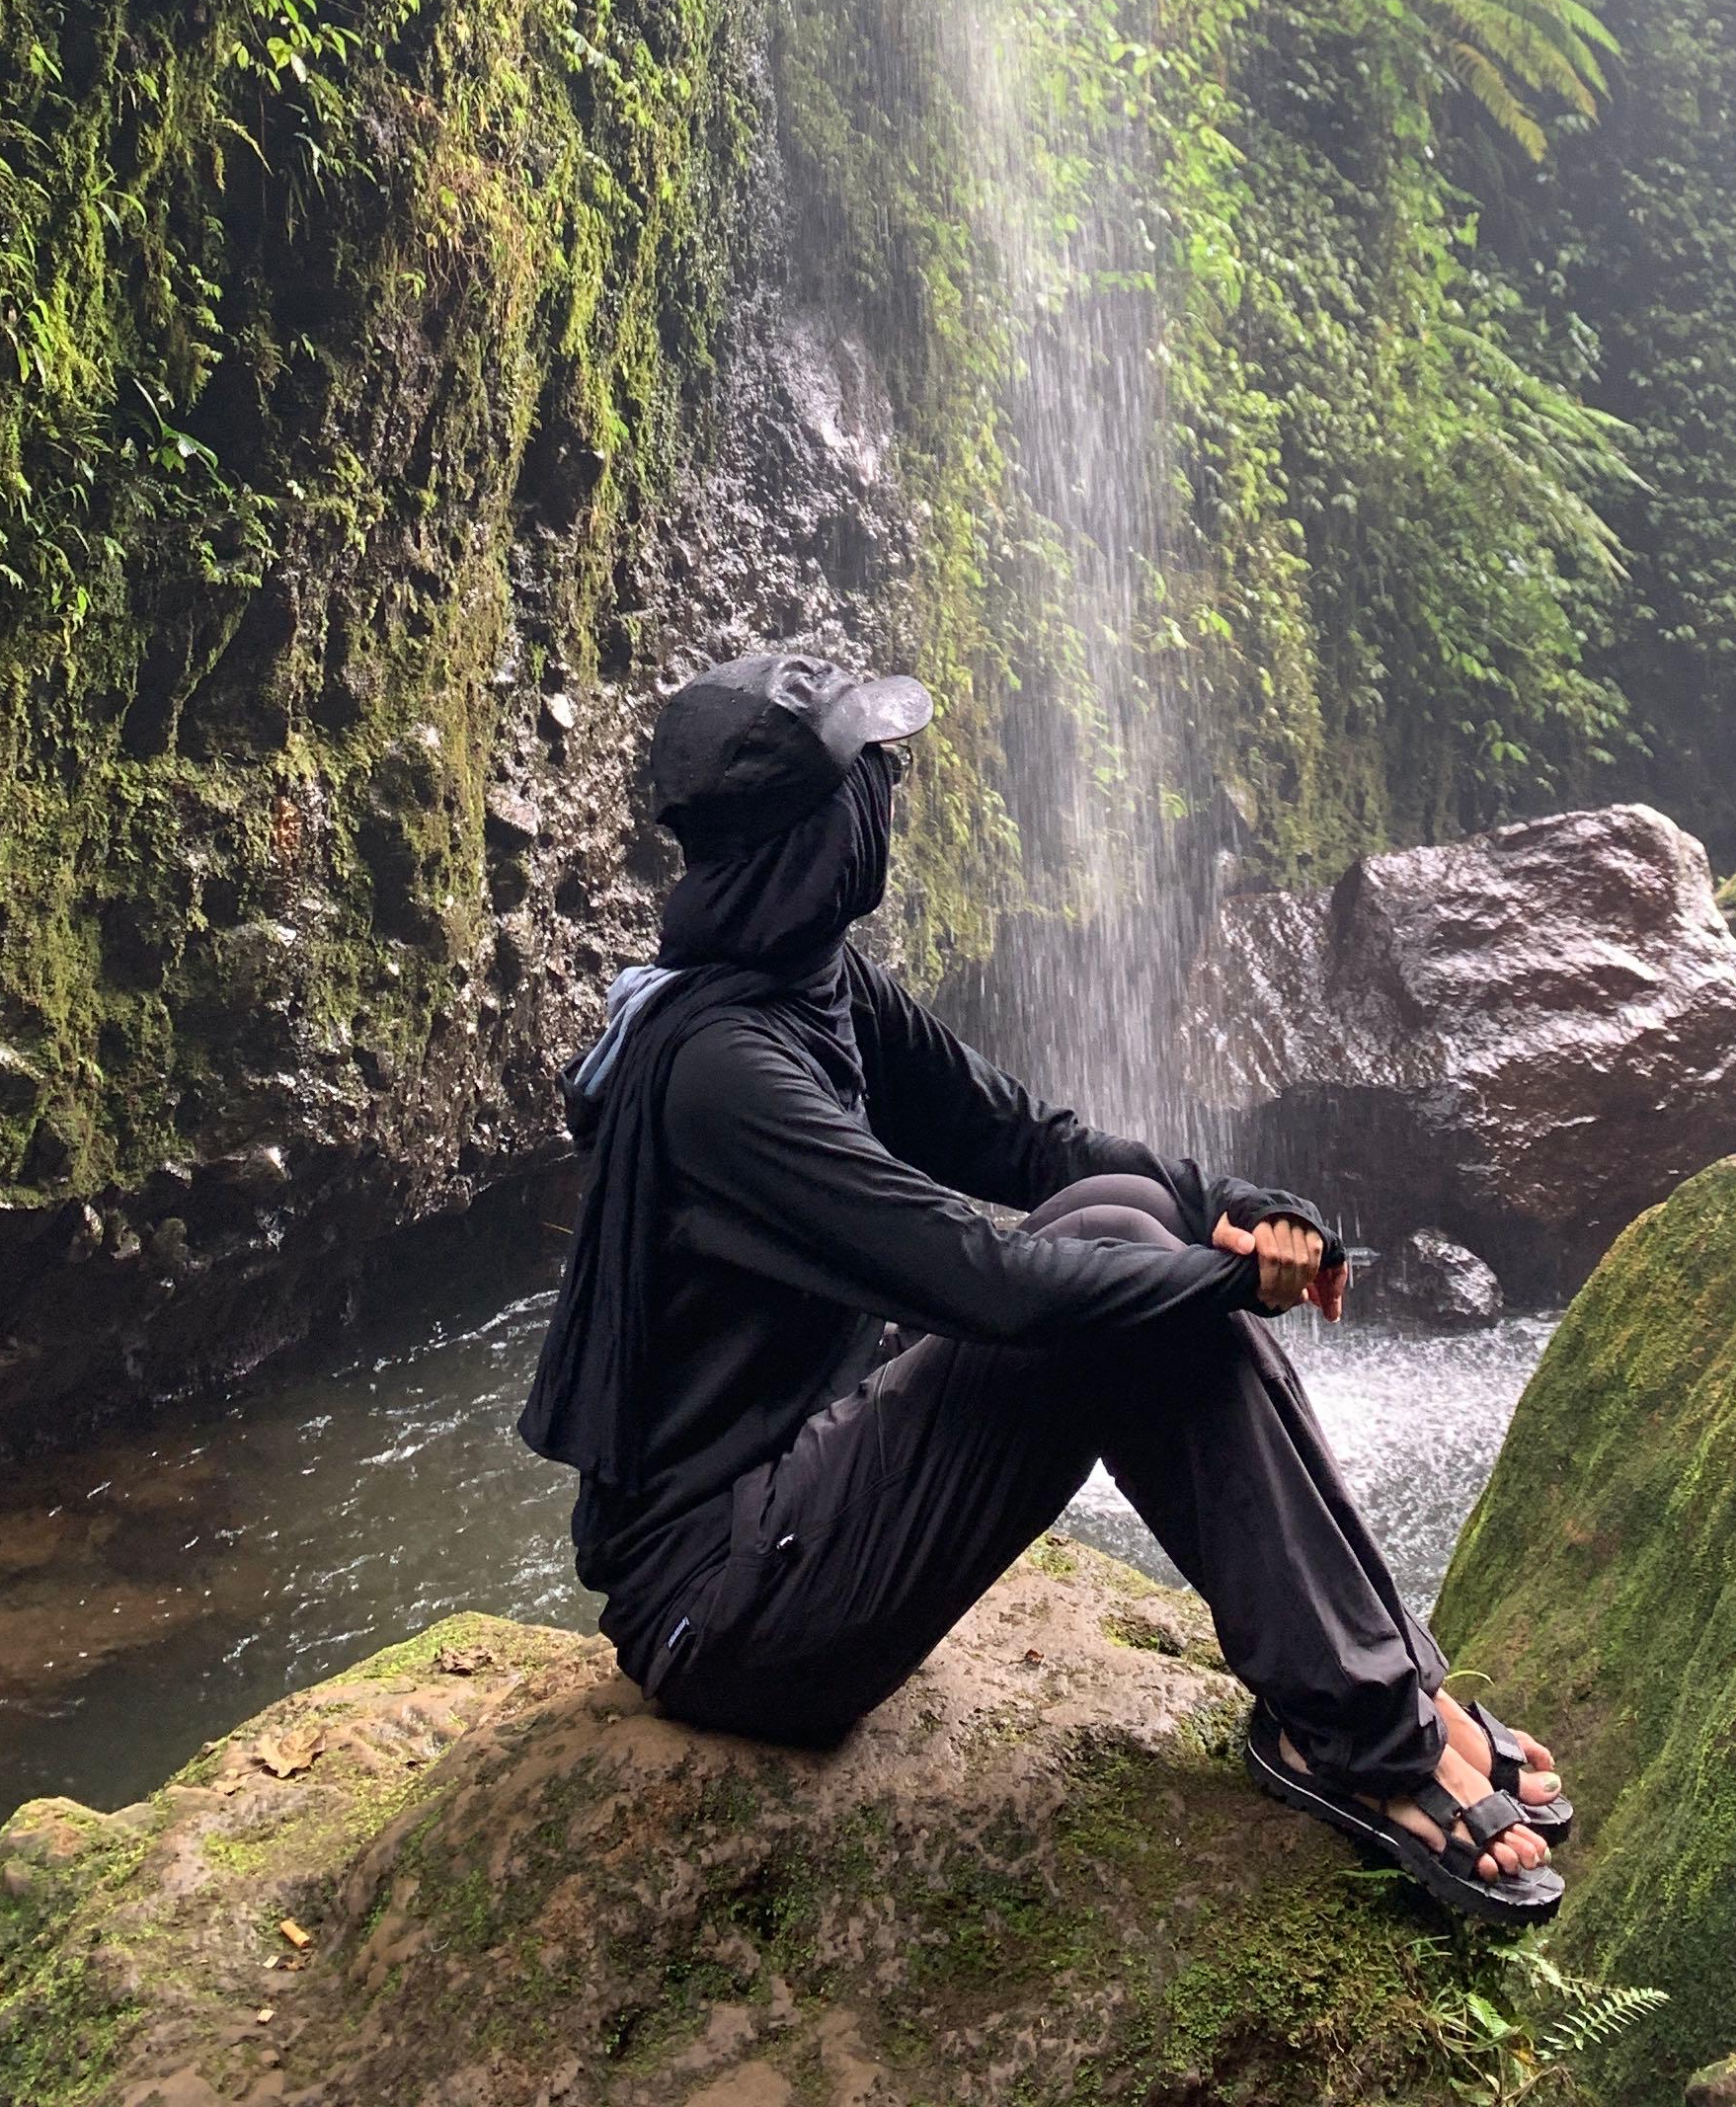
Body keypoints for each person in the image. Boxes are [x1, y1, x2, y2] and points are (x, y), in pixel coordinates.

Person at [517, 648, 1568, 1925]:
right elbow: (986, 1281)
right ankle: (1365, 1727)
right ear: (815, 832)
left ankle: (1374, 1695)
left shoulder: (812, 985)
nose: (893, 790)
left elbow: (1023, 1144)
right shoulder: (722, 1073)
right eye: (872, 776)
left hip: (804, 1501)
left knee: (1123, 1216)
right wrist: (1224, 1287)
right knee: (1122, 1278)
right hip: (728, 1613)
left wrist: (1224, 1205)